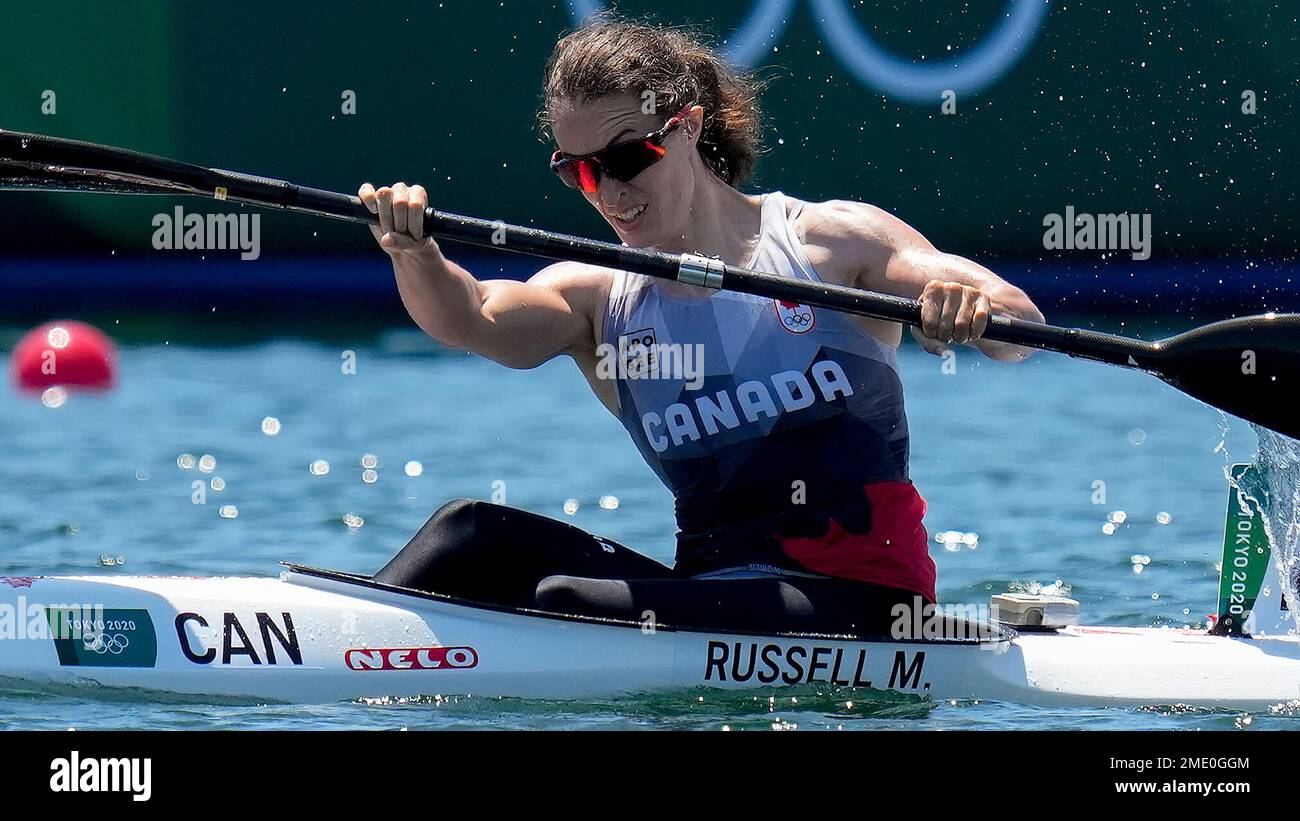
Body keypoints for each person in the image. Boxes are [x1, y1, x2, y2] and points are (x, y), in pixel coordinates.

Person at [358, 17, 1044, 636]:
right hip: (709, 593)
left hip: (867, 601)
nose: (612, 192)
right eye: (582, 173)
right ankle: (337, 639)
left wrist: (971, 309)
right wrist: (413, 252)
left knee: (566, 597)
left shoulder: (827, 246)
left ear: (686, 127)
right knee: (468, 533)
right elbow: (470, 315)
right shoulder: (597, 302)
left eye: (626, 158)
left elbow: (1018, 325)